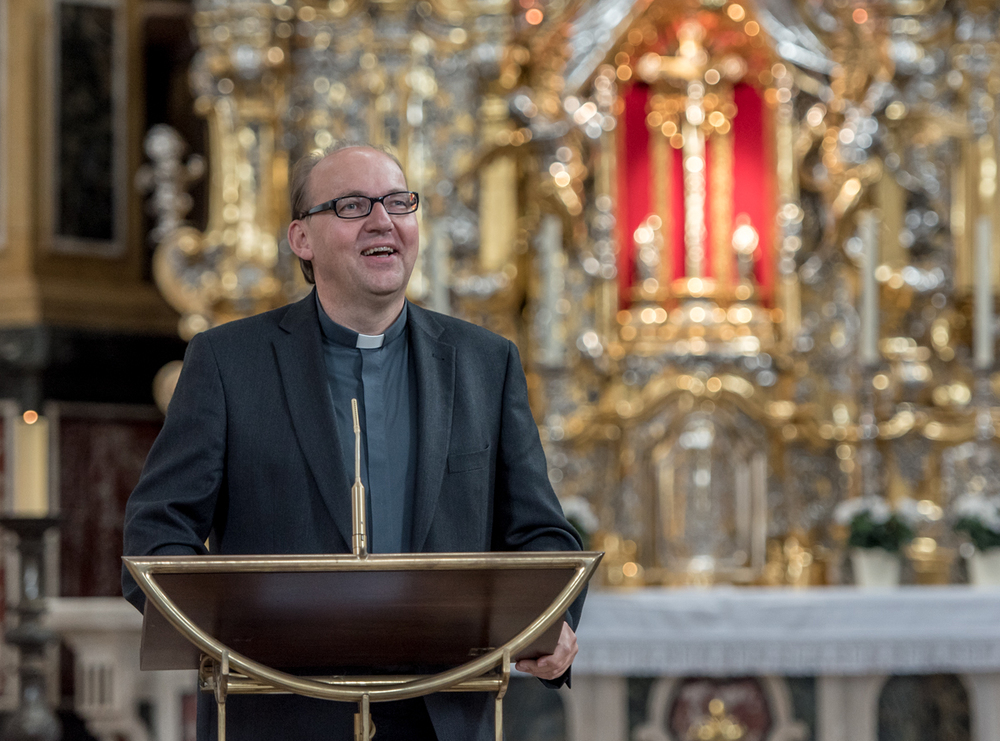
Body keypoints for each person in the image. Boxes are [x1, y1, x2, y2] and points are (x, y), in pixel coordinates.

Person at [122, 143, 585, 740]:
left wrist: (556, 622)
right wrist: (230, 633)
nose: (382, 220)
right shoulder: (228, 363)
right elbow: (158, 536)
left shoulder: (484, 363)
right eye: (352, 205)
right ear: (302, 240)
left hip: (441, 713)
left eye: (398, 202)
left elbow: (540, 533)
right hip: (281, 711)